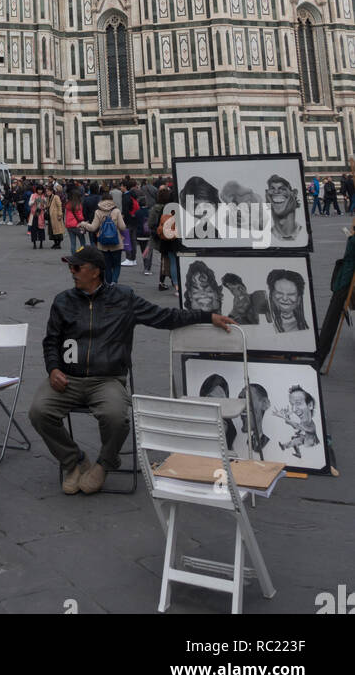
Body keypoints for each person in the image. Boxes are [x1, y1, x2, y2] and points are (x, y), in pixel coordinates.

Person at [28, 245, 234, 494]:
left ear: (95, 272)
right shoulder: (63, 301)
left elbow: (165, 317)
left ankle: (105, 462)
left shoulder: (123, 299)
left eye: (76, 267)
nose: (71, 271)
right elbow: (51, 341)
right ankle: (74, 461)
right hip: (68, 378)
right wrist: (53, 369)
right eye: (70, 266)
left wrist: (207, 317)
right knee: (39, 411)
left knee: (116, 416)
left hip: (106, 380)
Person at [316, 222, 355, 365]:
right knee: (332, 317)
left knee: (332, 317)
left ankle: (320, 354)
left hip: (345, 279)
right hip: (345, 280)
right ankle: (320, 355)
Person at [79, 188, 128, 284]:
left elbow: (93, 228)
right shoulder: (116, 211)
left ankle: (109, 284)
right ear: (111, 200)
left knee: (107, 266)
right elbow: (122, 227)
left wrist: (83, 224)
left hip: (103, 243)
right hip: (116, 242)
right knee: (117, 265)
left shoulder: (98, 212)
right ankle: (114, 281)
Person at [273, 385, 318, 457]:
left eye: (298, 403)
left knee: (295, 441)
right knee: (294, 440)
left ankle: (285, 447)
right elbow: (296, 426)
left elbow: (297, 426)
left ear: (310, 405)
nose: (294, 409)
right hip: (305, 442)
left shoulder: (311, 425)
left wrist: (286, 418)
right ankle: (295, 452)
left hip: (309, 445)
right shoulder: (305, 423)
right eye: (292, 405)